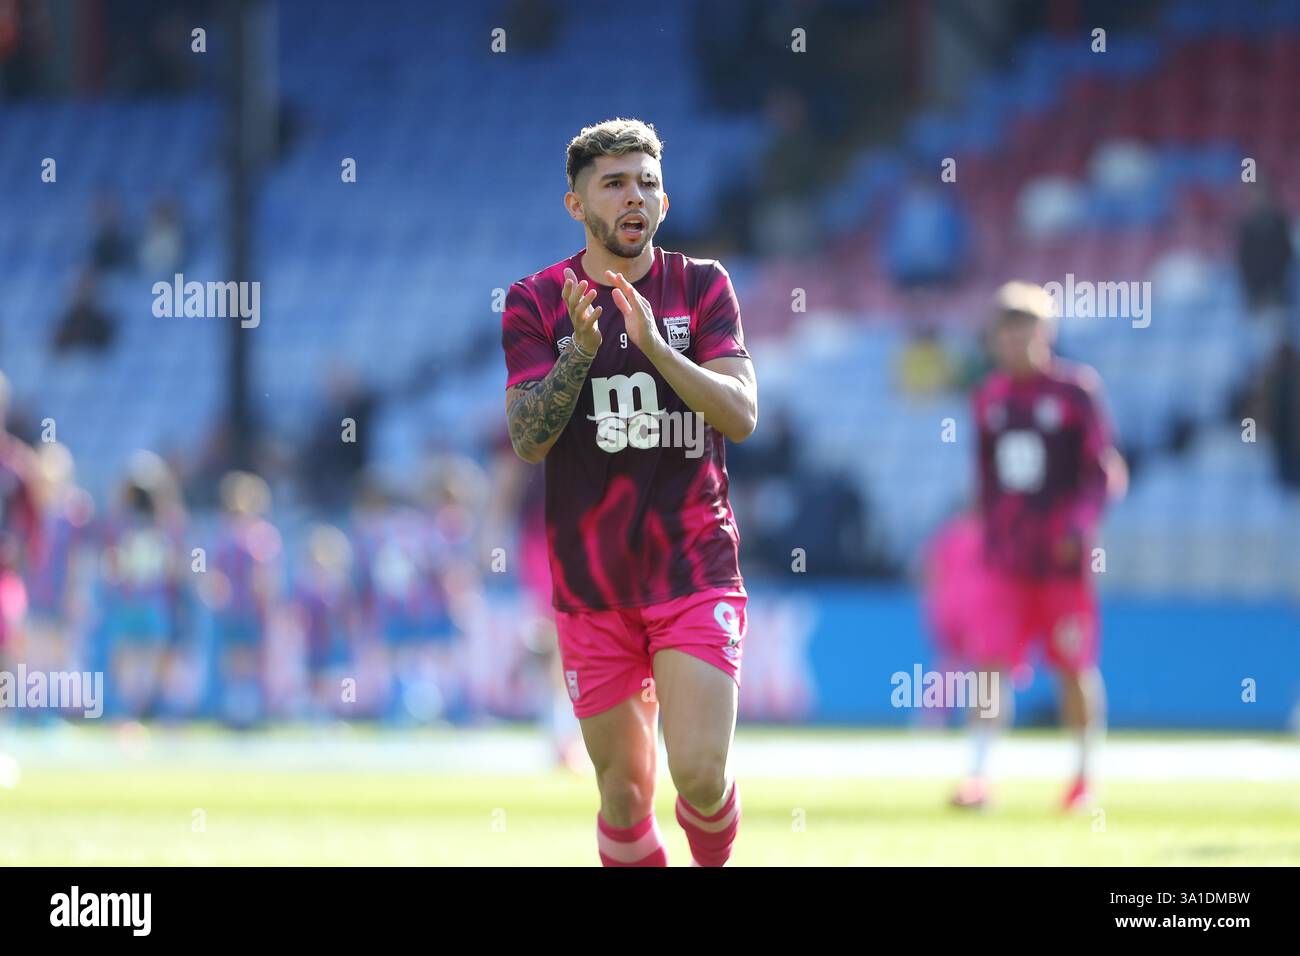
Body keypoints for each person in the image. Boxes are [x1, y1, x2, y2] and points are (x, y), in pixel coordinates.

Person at [501, 118, 757, 866]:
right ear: (577, 204)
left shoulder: (703, 286)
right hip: (593, 582)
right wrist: (579, 352)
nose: (633, 196)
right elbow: (528, 438)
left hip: (692, 566)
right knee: (623, 793)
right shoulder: (536, 302)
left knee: (702, 778)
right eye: (613, 183)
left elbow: (740, 414)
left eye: (645, 181)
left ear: (665, 200)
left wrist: (655, 349)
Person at [955, 281, 1128, 812]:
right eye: (1004, 333)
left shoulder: (1077, 393)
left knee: (1073, 666)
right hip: (1006, 559)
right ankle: (979, 776)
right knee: (989, 662)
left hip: (1062, 563)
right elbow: (984, 478)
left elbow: (1104, 472)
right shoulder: (988, 398)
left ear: (1045, 333)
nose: (1013, 342)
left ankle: (1083, 779)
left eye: (1023, 330)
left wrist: (1079, 527)